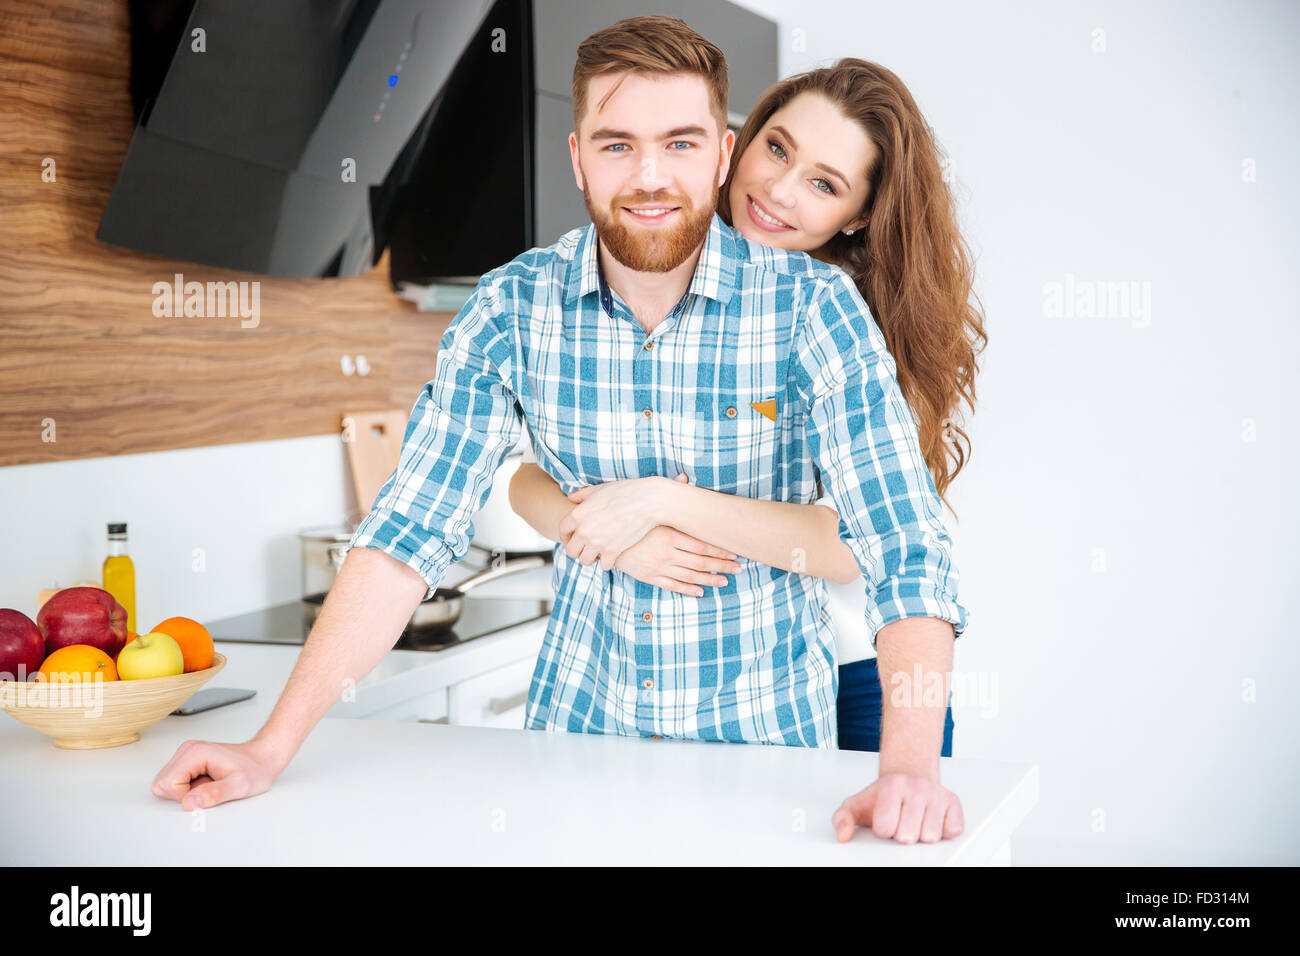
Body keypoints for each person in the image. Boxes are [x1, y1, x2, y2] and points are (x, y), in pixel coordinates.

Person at [152, 15, 969, 845]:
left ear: (719, 155)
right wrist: (269, 745)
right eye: (617, 145)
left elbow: (901, 545)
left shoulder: (815, 309)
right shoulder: (509, 306)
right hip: (572, 750)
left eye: (681, 144)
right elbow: (406, 532)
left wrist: (907, 767)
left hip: (766, 766)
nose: (650, 177)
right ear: (577, 157)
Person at [507, 58, 987, 758]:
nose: (778, 191)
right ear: (741, 141)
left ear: (860, 214)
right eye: (777, 149)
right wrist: (609, 532)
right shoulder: (639, 266)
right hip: (670, 686)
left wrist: (658, 502)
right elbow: (524, 477)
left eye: (823, 184)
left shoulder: (842, 323)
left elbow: (846, 546)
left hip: (856, 675)